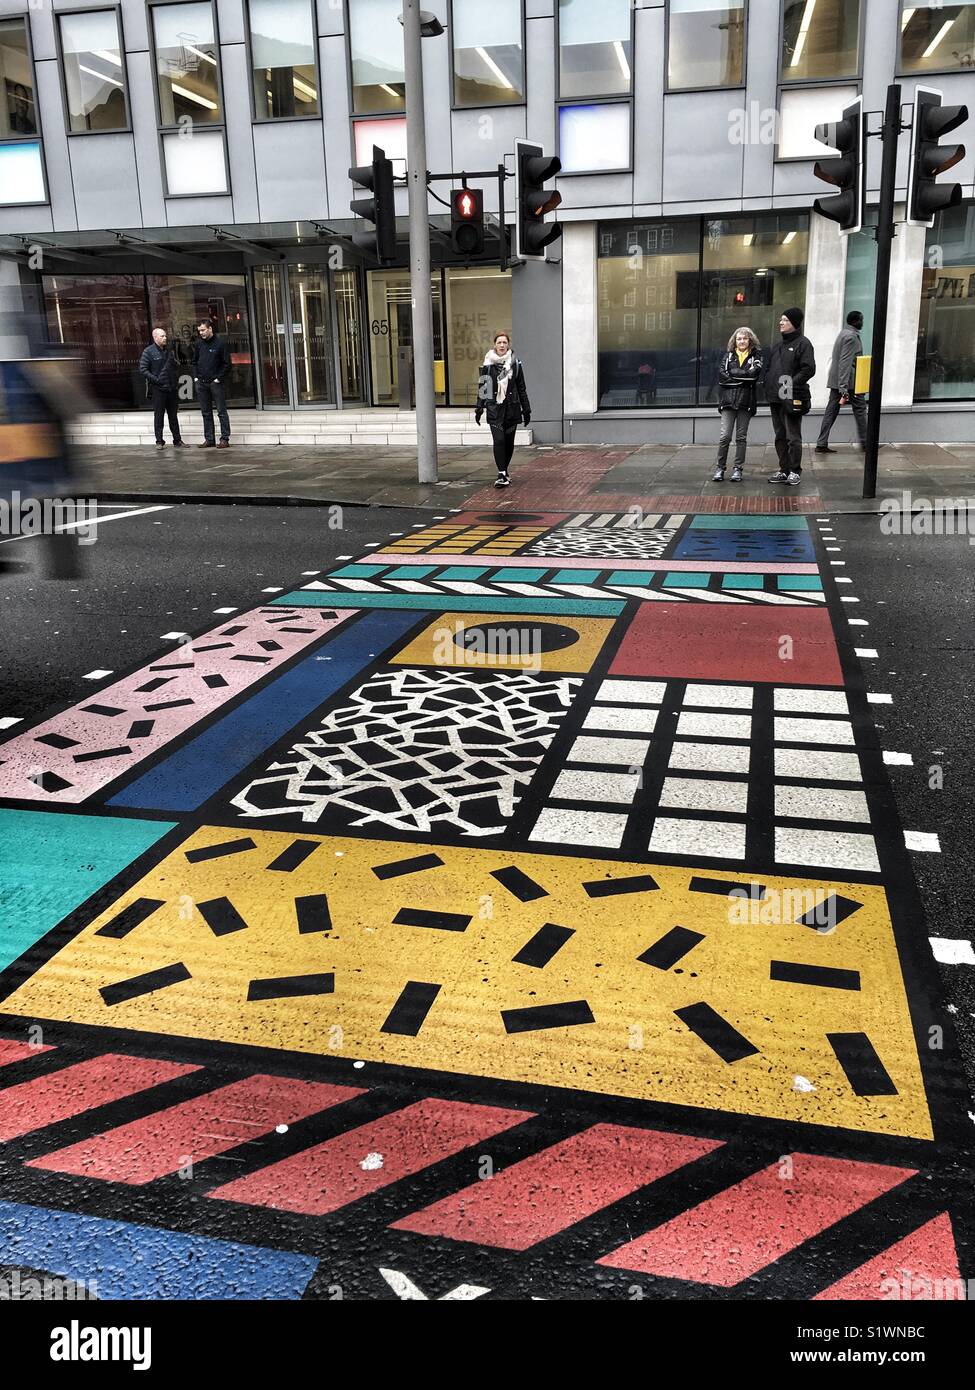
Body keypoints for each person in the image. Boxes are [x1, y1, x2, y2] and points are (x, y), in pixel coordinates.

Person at [764, 307, 815, 486]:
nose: (781, 322)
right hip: (774, 397)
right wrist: (767, 383)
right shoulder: (777, 345)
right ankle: (784, 470)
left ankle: (795, 470)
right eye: (781, 319)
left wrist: (790, 384)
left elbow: (809, 369)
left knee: (793, 436)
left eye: (785, 320)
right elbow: (770, 368)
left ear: (794, 323)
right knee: (780, 435)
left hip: (791, 396)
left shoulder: (803, 343)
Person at [474, 331, 531, 488]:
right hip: (494, 409)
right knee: (499, 441)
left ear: (508, 345)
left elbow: (521, 388)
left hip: (511, 408)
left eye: (504, 342)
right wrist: (479, 408)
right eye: (499, 342)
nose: (502, 345)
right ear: (495, 345)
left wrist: (526, 410)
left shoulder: (515, 364)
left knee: (509, 443)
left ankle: (504, 472)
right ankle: (501, 473)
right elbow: (483, 387)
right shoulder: (487, 365)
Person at [712, 327, 763, 483]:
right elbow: (722, 378)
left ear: (750, 340)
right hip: (728, 402)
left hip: (745, 402)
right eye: (739, 338)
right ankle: (720, 468)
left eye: (745, 338)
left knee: (741, 438)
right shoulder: (727, 356)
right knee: (725, 437)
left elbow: (753, 376)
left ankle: (737, 469)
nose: (742, 341)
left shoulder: (757, 357)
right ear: (734, 341)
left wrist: (733, 375)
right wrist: (743, 377)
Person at [816, 310, 867, 453]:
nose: (863, 322)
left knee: (831, 411)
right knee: (860, 410)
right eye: (861, 320)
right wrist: (843, 387)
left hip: (838, 381)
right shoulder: (851, 337)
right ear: (856, 321)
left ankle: (821, 443)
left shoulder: (843, 333)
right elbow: (845, 362)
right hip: (849, 383)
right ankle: (865, 442)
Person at [138, 327, 185, 449]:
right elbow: (143, 369)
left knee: (173, 416)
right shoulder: (148, 351)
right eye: (162, 336)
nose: (165, 338)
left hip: (171, 388)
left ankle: (177, 440)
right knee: (159, 416)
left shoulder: (169, 351)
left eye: (165, 336)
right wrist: (156, 380)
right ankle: (159, 441)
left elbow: (176, 366)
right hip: (158, 389)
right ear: (155, 337)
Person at [192, 319, 232, 448]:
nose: (201, 333)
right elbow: (194, 362)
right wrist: (196, 378)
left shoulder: (220, 343)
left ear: (210, 329)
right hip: (202, 383)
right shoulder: (198, 344)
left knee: (221, 411)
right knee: (206, 412)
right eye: (199, 331)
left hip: (216, 383)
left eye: (203, 330)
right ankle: (209, 439)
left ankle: (224, 438)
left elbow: (227, 364)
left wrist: (218, 379)